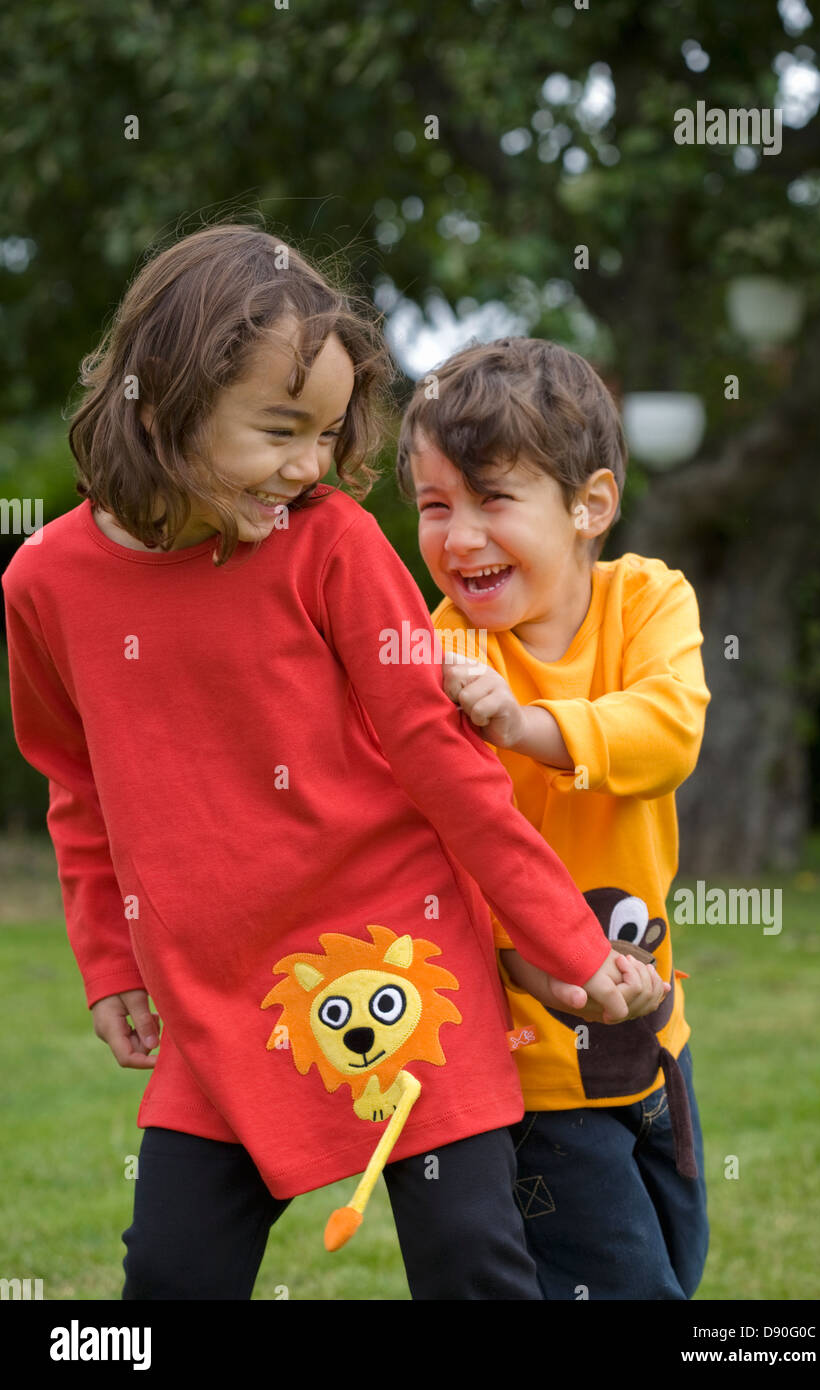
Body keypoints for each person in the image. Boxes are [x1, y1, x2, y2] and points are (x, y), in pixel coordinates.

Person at [2, 226, 667, 1302]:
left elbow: (444, 764)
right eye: (280, 430)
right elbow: (74, 785)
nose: (310, 466)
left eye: (326, 431)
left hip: (401, 964)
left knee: (472, 1265)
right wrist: (110, 962)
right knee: (170, 1278)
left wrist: (566, 943)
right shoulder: (44, 582)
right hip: (213, 995)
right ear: (162, 398)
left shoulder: (336, 543)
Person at [396, 336, 712, 1300]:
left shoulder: (647, 600)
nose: (458, 537)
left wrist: (530, 727)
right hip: (532, 1066)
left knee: (678, 1261)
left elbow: (668, 732)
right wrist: (523, 955)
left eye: (493, 499)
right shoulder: (435, 654)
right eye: (434, 505)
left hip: (655, 1029)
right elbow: (431, 852)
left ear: (592, 505)